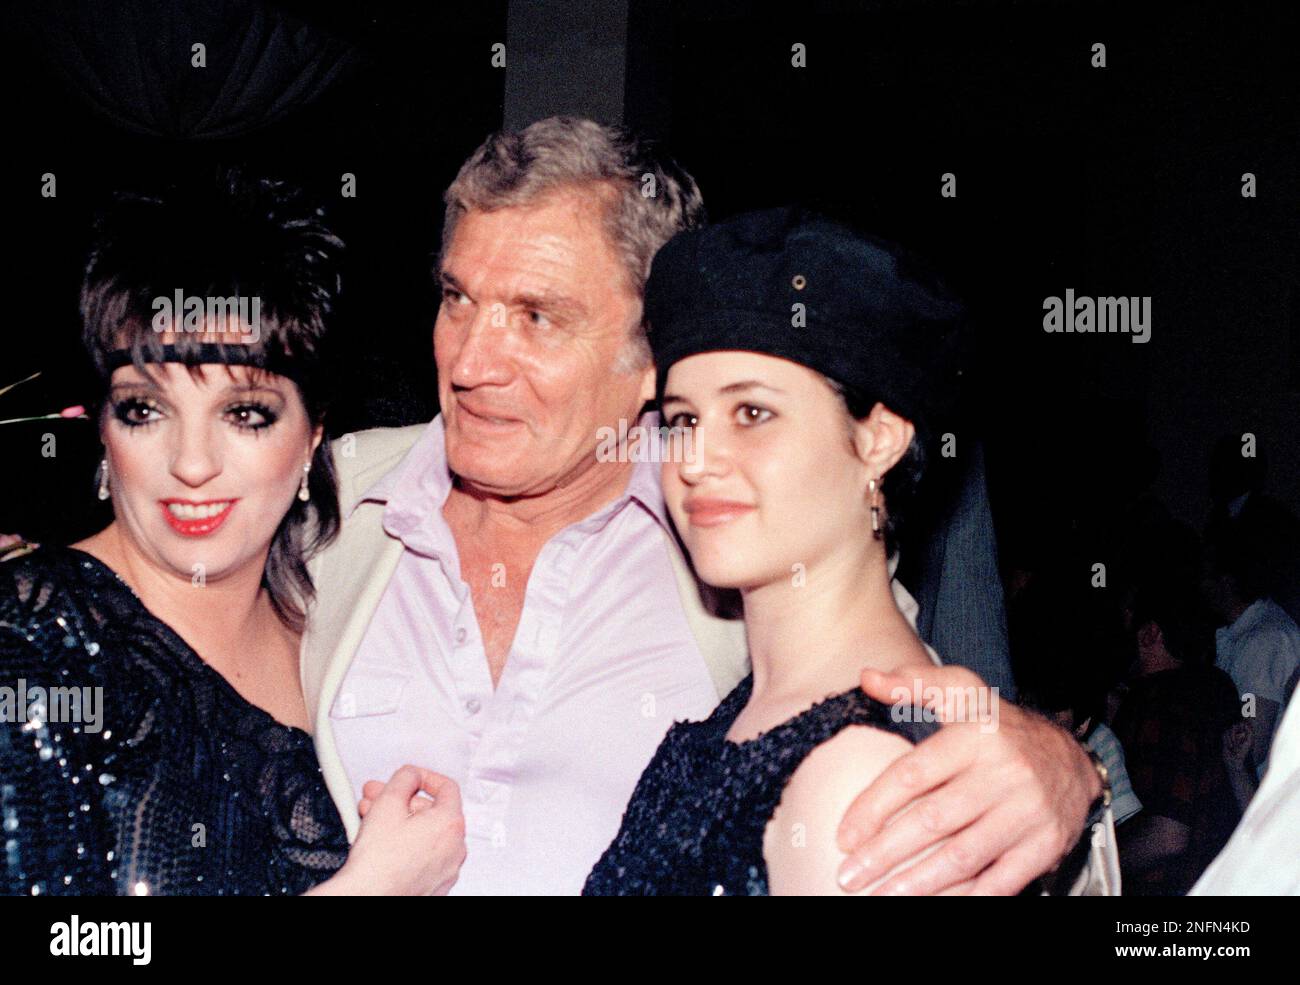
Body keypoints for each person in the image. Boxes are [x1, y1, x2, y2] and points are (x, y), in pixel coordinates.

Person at [305, 116, 1110, 895]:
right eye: (458, 298)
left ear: (648, 357)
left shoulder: (737, 537)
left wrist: (1067, 768)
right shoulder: (324, 501)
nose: (472, 361)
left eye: (538, 316)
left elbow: (928, 719)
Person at [0, 170, 465, 896]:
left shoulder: (335, 636)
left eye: (245, 413)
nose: (191, 464)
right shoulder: (32, 647)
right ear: (101, 428)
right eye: (144, 410)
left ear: (313, 437)